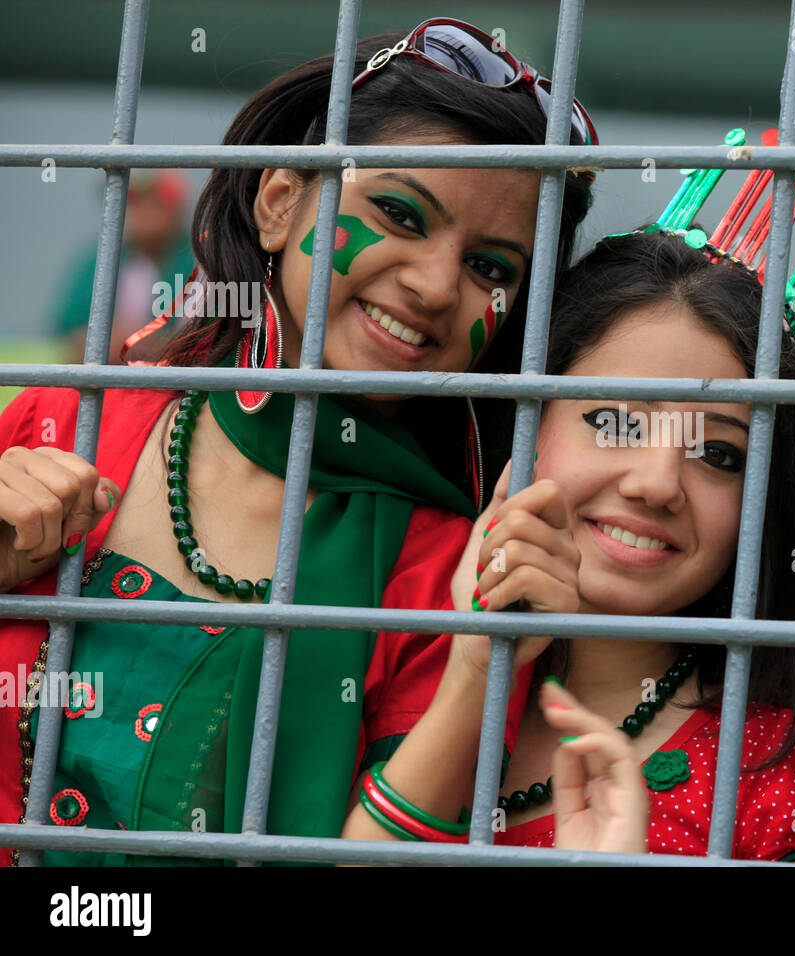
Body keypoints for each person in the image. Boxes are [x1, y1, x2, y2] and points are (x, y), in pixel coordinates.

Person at [0, 16, 594, 865]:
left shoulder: (452, 573)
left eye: (491, 269)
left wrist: (471, 671)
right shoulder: (62, 419)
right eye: (399, 213)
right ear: (279, 202)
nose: (435, 286)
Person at [340, 230, 795, 861]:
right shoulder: (372, 639)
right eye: (616, 423)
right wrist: (476, 664)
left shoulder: (785, 771)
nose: (656, 484)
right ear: (528, 422)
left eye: (718, 454)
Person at [52, 169, 195, 366]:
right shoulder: (100, 259)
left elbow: (202, 344)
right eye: (133, 202)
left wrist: (135, 343)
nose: (143, 213)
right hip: (106, 386)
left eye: (155, 202)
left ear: (175, 209)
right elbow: (70, 332)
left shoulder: (200, 261)